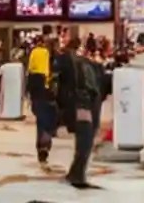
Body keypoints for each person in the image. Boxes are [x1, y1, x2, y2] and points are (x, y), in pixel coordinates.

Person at [60, 35, 102, 188]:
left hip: (84, 103)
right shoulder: (74, 62)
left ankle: (77, 172)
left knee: (86, 140)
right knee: (85, 139)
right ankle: (77, 174)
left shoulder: (81, 63)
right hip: (82, 103)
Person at [26, 26, 58, 167]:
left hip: (36, 88)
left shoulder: (35, 51)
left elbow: (30, 70)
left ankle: (42, 145)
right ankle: (45, 142)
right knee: (50, 117)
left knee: (41, 118)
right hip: (48, 88)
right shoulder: (52, 54)